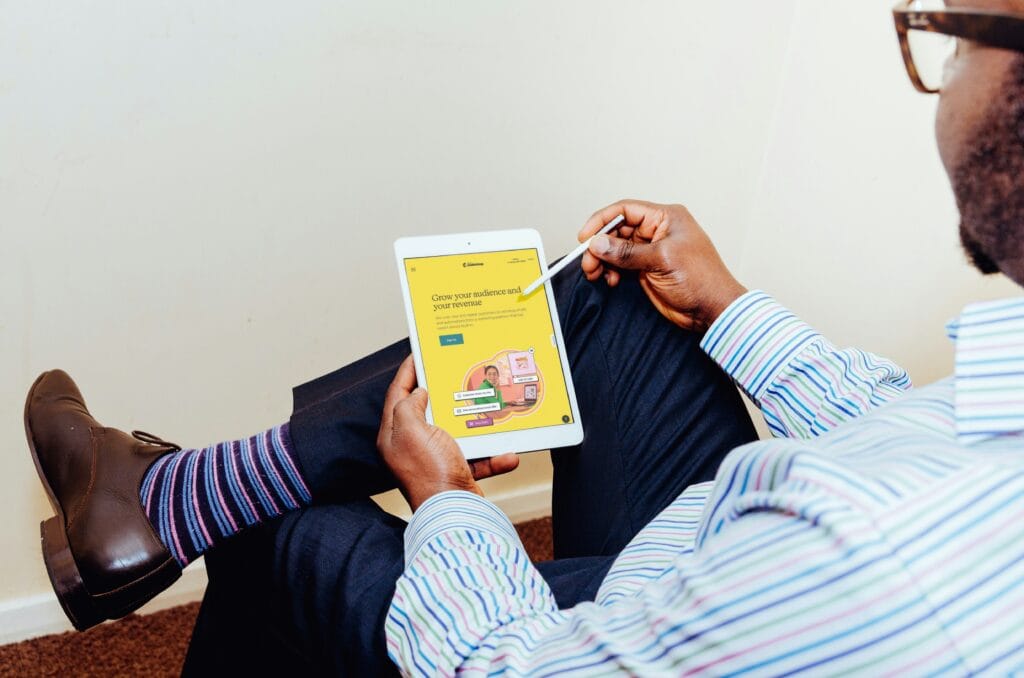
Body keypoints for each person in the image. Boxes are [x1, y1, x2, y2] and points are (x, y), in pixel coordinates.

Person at [21, 0, 1024, 673]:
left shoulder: (883, 557)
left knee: (289, 531)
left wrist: (448, 503)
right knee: (607, 292)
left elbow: (506, 666)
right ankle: (158, 503)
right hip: (711, 558)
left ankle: (176, 504)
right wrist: (726, 303)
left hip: (621, 628)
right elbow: (905, 430)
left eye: (953, 36)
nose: (944, 79)